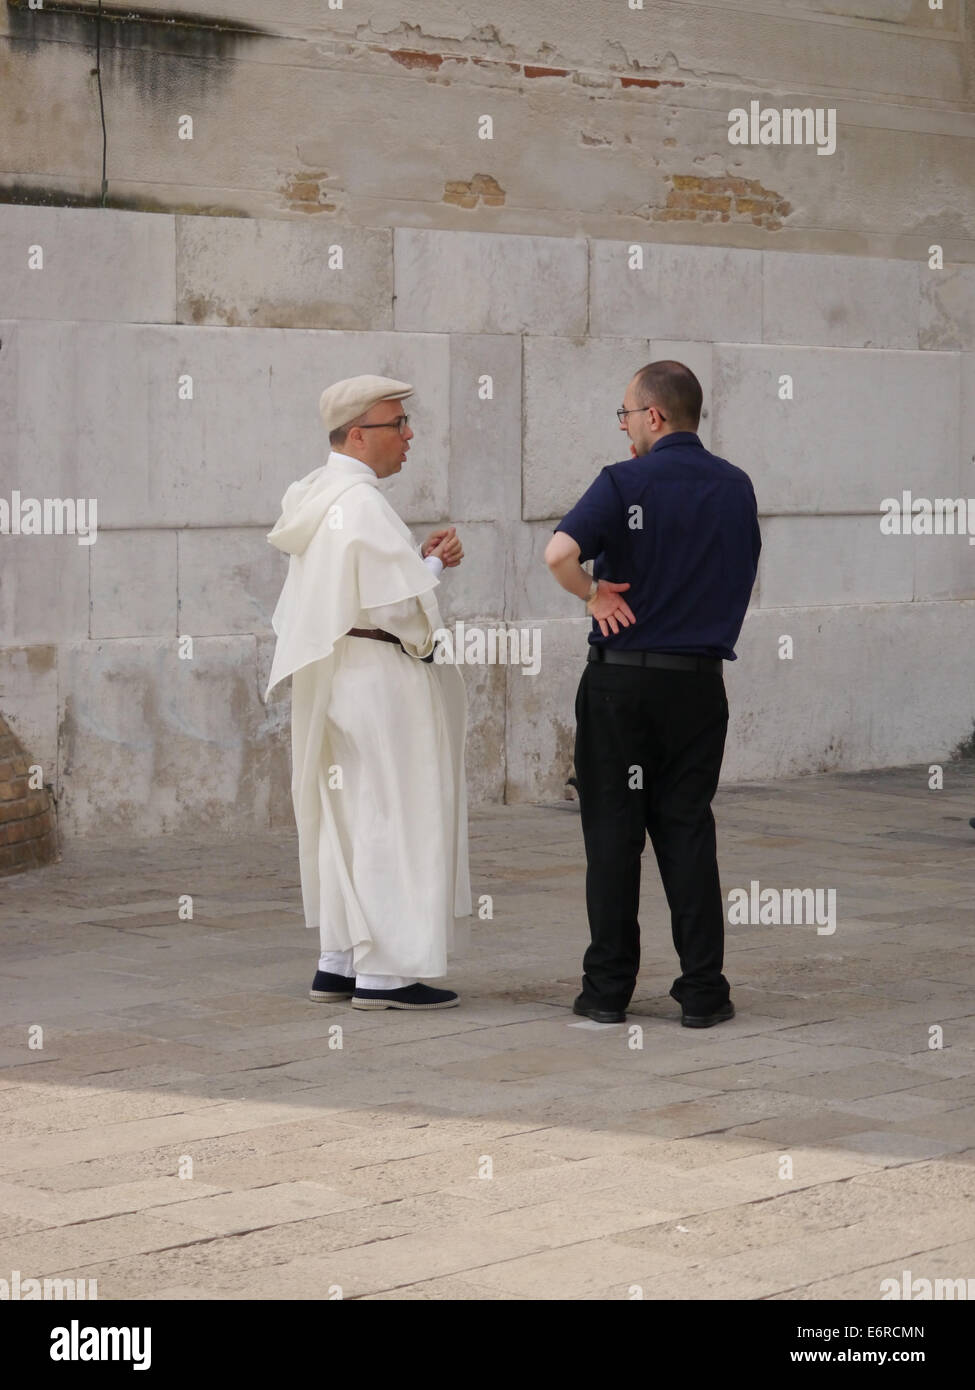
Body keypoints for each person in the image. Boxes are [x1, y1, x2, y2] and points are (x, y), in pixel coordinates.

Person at [544, 360, 761, 1028]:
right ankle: (703, 992)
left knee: (613, 833)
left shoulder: (624, 480)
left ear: (654, 417)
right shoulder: (734, 487)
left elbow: (557, 553)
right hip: (697, 686)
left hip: (621, 681)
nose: (623, 427)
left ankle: (606, 991)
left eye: (625, 414)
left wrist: (593, 593)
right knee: (687, 829)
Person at [264, 375, 472, 1010]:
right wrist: (434, 565)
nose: (409, 437)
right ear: (358, 434)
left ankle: (338, 961)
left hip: (335, 671)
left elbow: (351, 583)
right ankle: (384, 972)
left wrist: (413, 561)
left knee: (346, 814)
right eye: (397, 425)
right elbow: (399, 607)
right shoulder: (359, 501)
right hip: (380, 675)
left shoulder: (316, 493)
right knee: (394, 812)